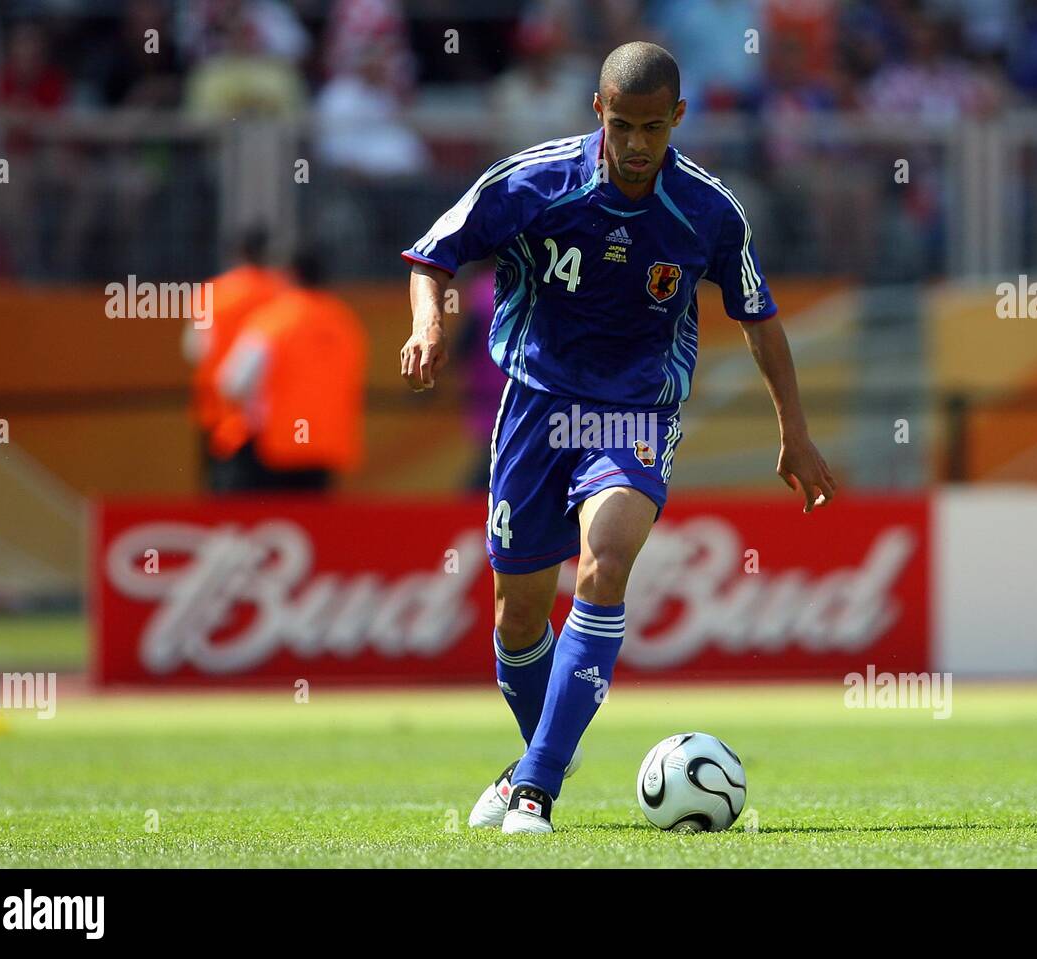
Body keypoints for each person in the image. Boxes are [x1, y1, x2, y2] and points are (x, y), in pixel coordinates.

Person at [399, 41, 837, 835]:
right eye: (623, 125)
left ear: (678, 118)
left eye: (653, 128)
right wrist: (429, 321)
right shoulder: (531, 182)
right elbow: (434, 256)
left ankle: (533, 787)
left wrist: (794, 434)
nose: (637, 146)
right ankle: (540, 759)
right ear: (597, 112)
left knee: (603, 564)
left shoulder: (708, 211)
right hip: (534, 406)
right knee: (517, 618)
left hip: (635, 413)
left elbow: (760, 320)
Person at [216, 247, 367, 492]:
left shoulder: (274, 320)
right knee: (310, 523)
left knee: (268, 520)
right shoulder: (346, 322)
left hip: (277, 447)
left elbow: (233, 384)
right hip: (326, 447)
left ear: (290, 274)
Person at [182, 226, 288, 491]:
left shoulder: (213, 292)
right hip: (271, 420)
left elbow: (195, 350)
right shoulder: (281, 291)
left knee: (225, 501)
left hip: (220, 414)